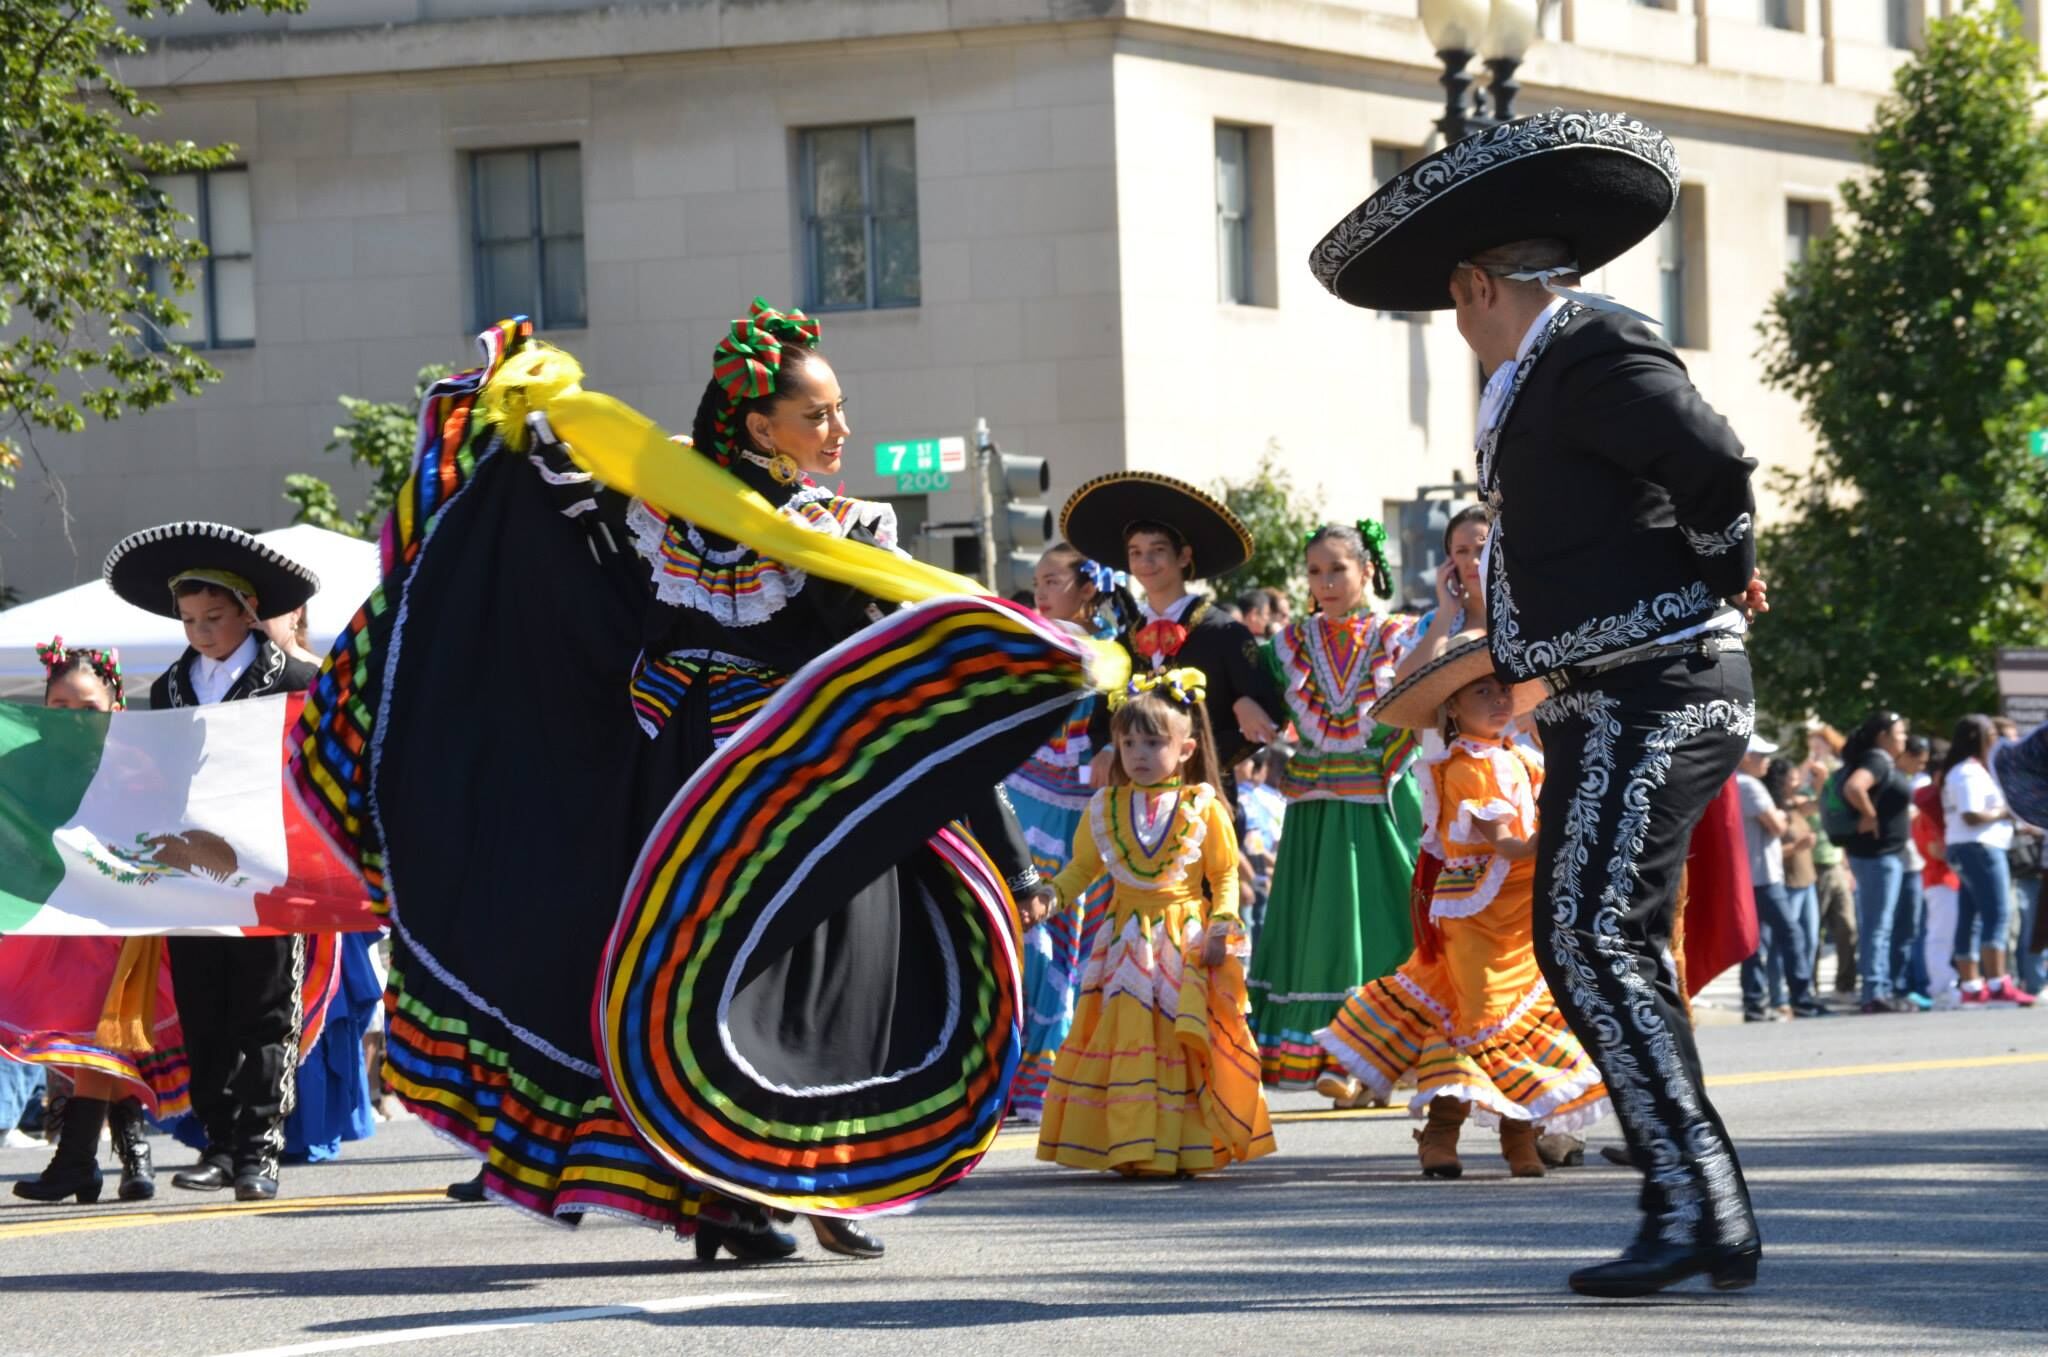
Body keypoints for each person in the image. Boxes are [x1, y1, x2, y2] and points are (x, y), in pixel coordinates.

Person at [289, 311, 1098, 1262]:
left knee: (832, 990)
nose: (839, 433)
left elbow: (918, 689)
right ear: (759, 426)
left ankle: (824, 1175)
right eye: (818, 415)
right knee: (695, 991)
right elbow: (556, 535)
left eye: (840, 414)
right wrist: (526, 410)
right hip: (681, 792)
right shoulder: (660, 506)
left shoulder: (841, 534)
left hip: (804, 794)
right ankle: (727, 1199)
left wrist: (1008, 849)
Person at [1313, 109, 1768, 1296]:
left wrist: (1721, 564)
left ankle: (1694, 1202)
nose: (1453, 326)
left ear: (1473, 285)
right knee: (1592, 939)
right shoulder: (1542, 372)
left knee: (1587, 936)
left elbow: (1710, 463)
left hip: (1658, 685)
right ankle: (1696, 1201)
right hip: (1606, 693)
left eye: (1451, 304)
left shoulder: (1591, 347)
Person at [1317, 632, 1608, 1179]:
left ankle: (1513, 1134)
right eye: (1482, 692)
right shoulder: (1460, 768)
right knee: (1484, 1019)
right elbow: (1510, 845)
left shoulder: (1524, 759)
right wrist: (1568, 828)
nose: (1498, 700)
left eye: (1503, 690)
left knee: (1489, 1019)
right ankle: (1447, 1133)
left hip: (1526, 914)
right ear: (1453, 705)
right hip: (1475, 915)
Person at [101, 523, 321, 1201]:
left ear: (249, 611)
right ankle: (219, 1142)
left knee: (263, 1011)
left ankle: (260, 1148)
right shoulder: (169, 688)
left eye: (214, 618)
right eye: (189, 619)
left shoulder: (297, 679)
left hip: (269, 872)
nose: (200, 631)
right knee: (204, 1010)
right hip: (193, 876)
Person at [1034, 668, 1276, 1176]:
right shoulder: (1105, 806)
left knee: (1178, 1044)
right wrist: (1049, 898)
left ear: (1185, 750)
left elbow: (1223, 874)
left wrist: (1221, 928)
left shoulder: (1202, 807)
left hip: (1183, 943)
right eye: (1128, 743)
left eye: (1153, 742)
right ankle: (1130, 1147)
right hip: (1123, 946)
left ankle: (1181, 1146)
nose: (1139, 754)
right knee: (1125, 1044)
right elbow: (1081, 870)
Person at [1244, 523, 1423, 1099]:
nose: (1325, 582)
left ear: (1367, 570)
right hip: (1317, 806)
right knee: (1324, 928)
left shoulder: (1400, 635)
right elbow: (1242, 683)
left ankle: (1392, 1051)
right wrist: (1245, 702)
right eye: (1315, 572)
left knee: (1385, 921)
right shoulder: (1289, 644)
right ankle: (1335, 1055)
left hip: (1384, 801)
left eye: (1337, 569)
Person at [5, 641, 172, 1204]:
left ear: (115, 706)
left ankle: (84, 1159)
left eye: (88, 708)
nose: (72, 719)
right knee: (77, 1038)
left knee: (101, 1035)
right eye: (59, 706)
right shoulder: (21, 762)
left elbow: (156, 838)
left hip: (118, 923)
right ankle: (115, 1156)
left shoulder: (136, 765)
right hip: (54, 919)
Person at [1060, 472, 1286, 809]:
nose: (1145, 562)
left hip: (1207, 795)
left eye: (1157, 551)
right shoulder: (1124, 641)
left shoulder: (1224, 632)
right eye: (1135, 552)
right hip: (1137, 800)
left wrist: (1205, 748)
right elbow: (1103, 718)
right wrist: (1109, 748)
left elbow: (1269, 717)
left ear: (1183, 557)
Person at [1003, 543, 1116, 1123]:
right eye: (1037, 583)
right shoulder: (1026, 646)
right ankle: (1008, 1072)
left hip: (1078, 813)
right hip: (1022, 802)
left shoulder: (1114, 656)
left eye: (1052, 581)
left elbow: (1118, 724)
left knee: (1070, 942)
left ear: (1087, 588)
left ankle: (1049, 1075)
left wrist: (1112, 745)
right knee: (1026, 937)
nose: (1041, 592)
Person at [1941, 716, 2035, 1006]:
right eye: (1991, 733)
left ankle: (1971, 986)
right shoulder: (1968, 772)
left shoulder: (1967, 770)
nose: (1997, 739)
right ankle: (1997, 983)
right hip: (1980, 848)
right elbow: (1971, 815)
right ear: (1977, 738)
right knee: (1998, 914)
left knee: (1970, 918)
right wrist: (2006, 812)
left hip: (1969, 847)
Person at [1736, 737, 1825, 1021]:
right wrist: (1783, 814)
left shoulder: (1735, 784)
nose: (1767, 761)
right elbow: (1775, 826)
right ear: (1746, 757)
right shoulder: (1750, 786)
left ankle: (1755, 1003)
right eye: (1761, 755)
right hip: (1763, 877)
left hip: (1752, 875)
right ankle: (1801, 999)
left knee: (1754, 943)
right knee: (1791, 935)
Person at [1836, 711, 1917, 1014]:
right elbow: (1854, 787)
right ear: (1883, 736)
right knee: (1877, 927)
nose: (1904, 739)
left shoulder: (1877, 759)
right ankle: (1874, 991)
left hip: (1877, 856)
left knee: (1877, 925)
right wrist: (1869, 815)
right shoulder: (1878, 760)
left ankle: (1877, 988)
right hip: (1877, 857)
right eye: (1900, 733)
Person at [1390, 503, 1490, 685]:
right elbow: (1403, 688)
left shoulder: (1532, 614)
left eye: (1482, 548)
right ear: (1450, 563)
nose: (1473, 561)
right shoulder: (1436, 621)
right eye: (1462, 551)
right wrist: (1446, 613)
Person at [1804, 727, 1858, 996]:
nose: (1817, 751)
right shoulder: (1807, 775)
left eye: (1822, 745)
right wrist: (1815, 782)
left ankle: (1846, 983)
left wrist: (1848, 867)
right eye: (1813, 746)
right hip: (1813, 863)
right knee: (1814, 931)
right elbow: (1802, 806)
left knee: (1847, 927)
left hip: (1836, 862)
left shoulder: (1837, 774)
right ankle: (1809, 987)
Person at [1770, 759, 1823, 1004]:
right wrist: (1796, 847)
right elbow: (1769, 852)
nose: (1797, 782)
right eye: (1792, 778)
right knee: (1784, 943)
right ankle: (1779, 995)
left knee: (1810, 940)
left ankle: (1804, 991)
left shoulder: (1796, 806)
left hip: (1807, 881)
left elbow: (1819, 803)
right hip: (1788, 883)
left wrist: (1820, 778)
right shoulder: (1772, 810)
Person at [1889, 736, 1935, 1009]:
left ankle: (1910, 984)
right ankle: (1899, 985)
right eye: (1917, 760)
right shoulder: (1895, 781)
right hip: (1901, 861)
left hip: (1916, 862)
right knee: (1901, 929)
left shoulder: (1916, 782)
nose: (1921, 766)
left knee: (1914, 928)